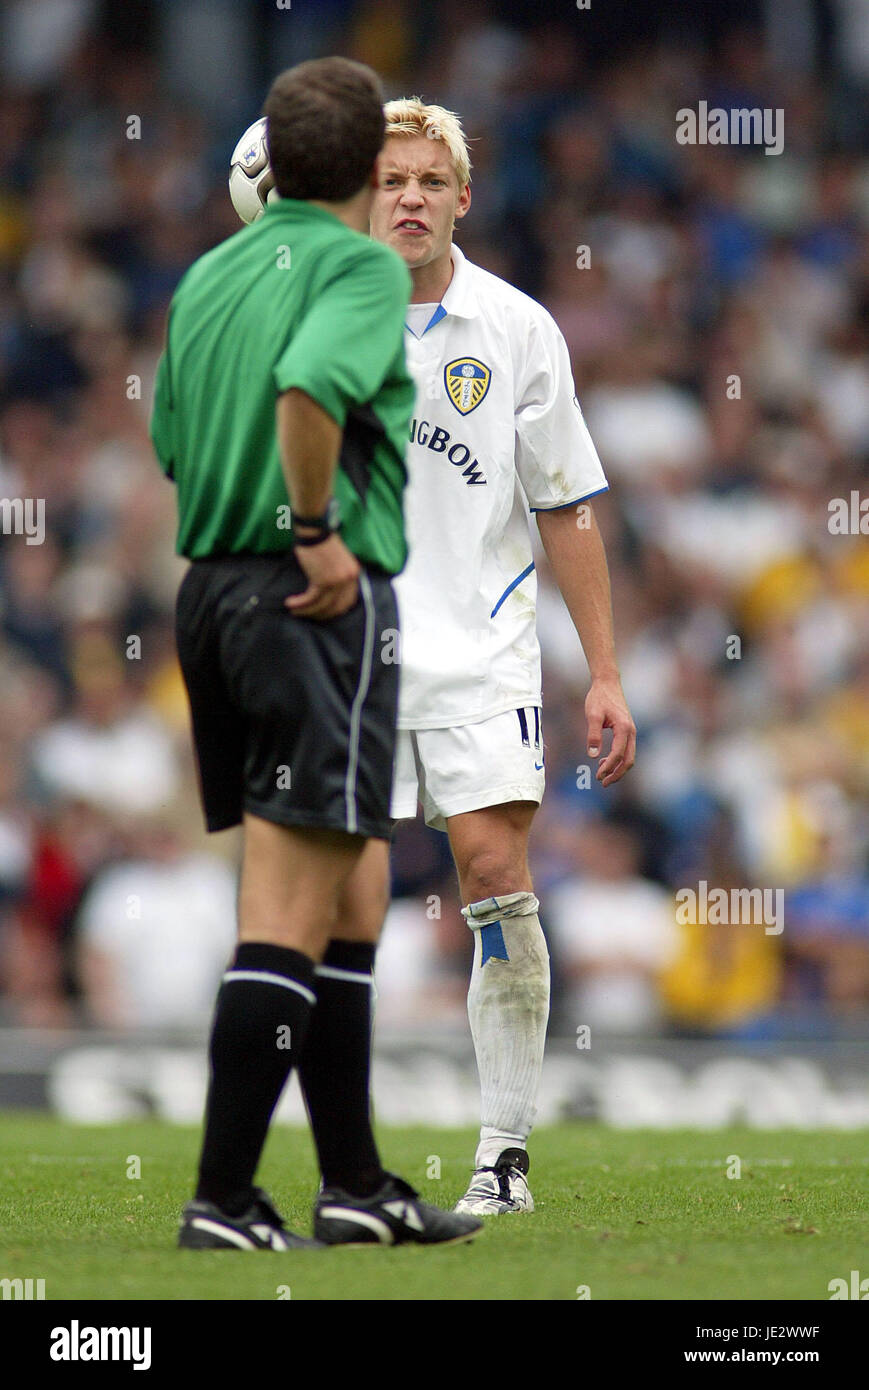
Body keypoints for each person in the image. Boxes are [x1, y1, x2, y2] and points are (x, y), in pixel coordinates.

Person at [150, 59, 481, 1251]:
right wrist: (313, 532)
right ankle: (223, 1199)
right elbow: (306, 391)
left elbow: (171, 442)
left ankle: (353, 1184)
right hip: (309, 597)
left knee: (349, 897)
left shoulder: (209, 273)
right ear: (354, 166)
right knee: (289, 911)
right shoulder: (351, 266)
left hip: (211, 594)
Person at [360, 98, 637, 1213]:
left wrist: (605, 671)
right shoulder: (319, 319)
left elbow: (565, 505)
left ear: (463, 197)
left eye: (431, 180)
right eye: (390, 180)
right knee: (338, 892)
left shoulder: (516, 327)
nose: (411, 198)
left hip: (479, 651)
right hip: (352, 652)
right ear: (363, 196)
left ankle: (502, 1154)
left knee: (492, 872)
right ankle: (345, 1156)